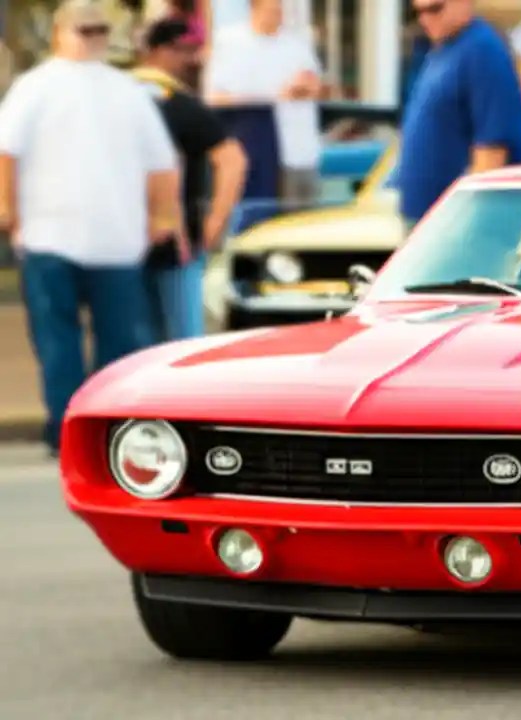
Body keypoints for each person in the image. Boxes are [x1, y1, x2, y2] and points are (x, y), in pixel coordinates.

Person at [0, 0, 182, 457]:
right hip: (50, 234)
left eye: (99, 29)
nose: (92, 37)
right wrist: (9, 210)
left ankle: (102, 432)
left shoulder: (126, 90)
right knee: (61, 340)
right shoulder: (35, 87)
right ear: (60, 32)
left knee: (114, 345)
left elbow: (162, 165)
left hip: (114, 239)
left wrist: (162, 217)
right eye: (85, 30)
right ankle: (68, 429)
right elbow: (7, 155)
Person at [134, 18, 248, 341]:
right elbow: (233, 161)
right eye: (183, 50)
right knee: (181, 341)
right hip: (174, 242)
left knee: (130, 341)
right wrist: (216, 220)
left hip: (122, 242)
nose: (192, 59)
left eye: (195, 50)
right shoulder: (177, 103)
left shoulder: (116, 99)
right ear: (156, 52)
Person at [397, 0, 521, 225]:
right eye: (418, 12)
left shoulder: (482, 50)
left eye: (434, 9)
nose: (424, 19)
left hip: (457, 225)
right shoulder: (441, 51)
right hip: (428, 220)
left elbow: (492, 149)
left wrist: (469, 224)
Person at [204, 0, 324, 210]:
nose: (278, 14)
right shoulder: (230, 42)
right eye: (272, 9)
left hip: (299, 153)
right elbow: (214, 97)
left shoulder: (297, 43)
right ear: (254, 7)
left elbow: (316, 85)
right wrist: (273, 97)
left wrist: (304, 88)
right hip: (253, 152)